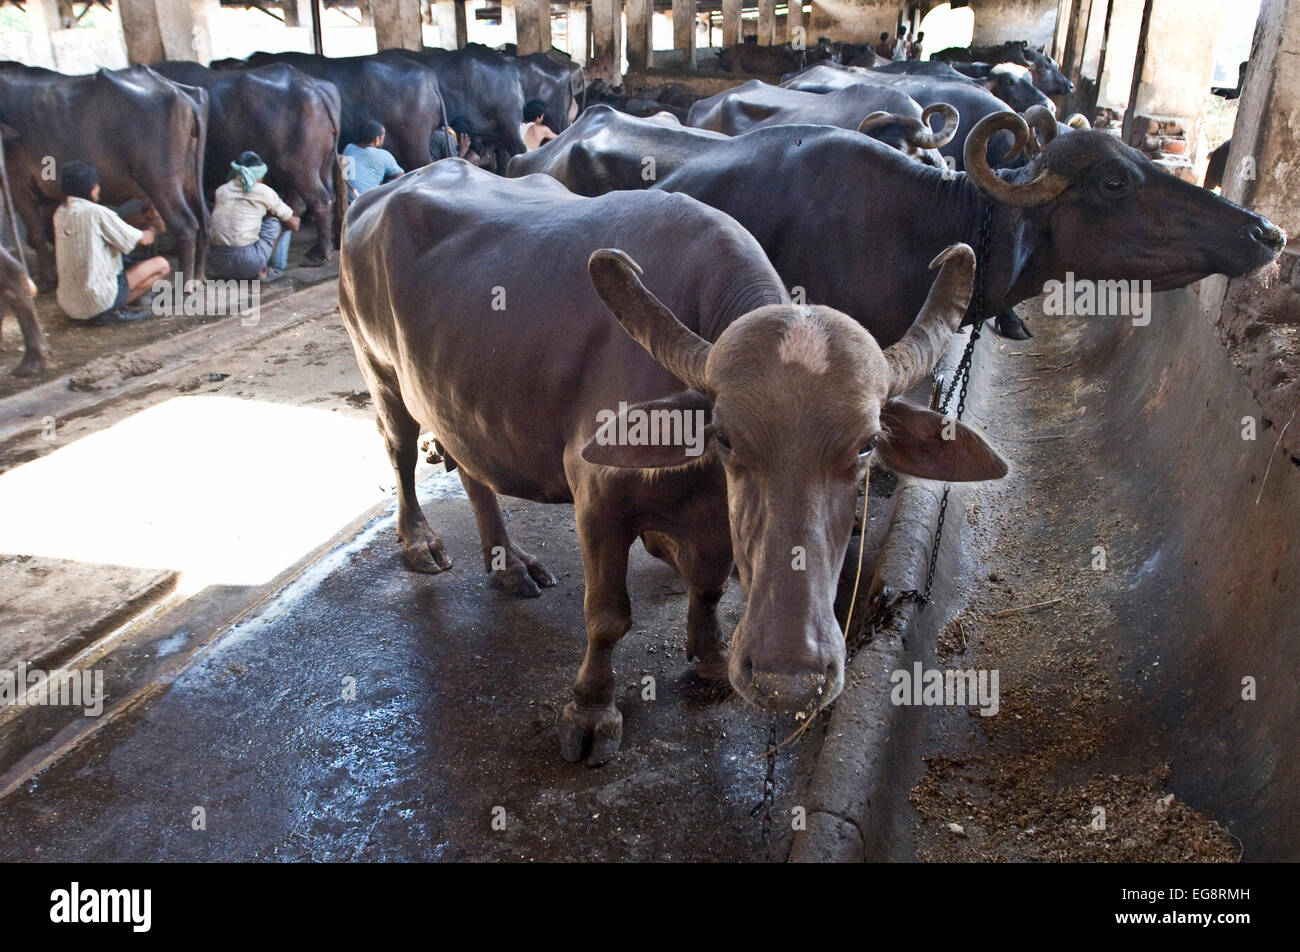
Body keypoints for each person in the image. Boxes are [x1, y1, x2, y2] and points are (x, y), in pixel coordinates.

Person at [53, 161, 169, 325]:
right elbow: (143, 240)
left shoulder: (60, 213)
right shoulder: (97, 212)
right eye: (97, 184)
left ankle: (110, 307)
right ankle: (110, 311)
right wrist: (155, 227)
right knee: (161, 265)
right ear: (92, 188)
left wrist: (138, 220)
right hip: (96, 300)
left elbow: (111, 226)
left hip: (69, 305)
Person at [208, 150, 299, 282]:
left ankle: (237, 273)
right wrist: (292, 218)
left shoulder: (221, 190)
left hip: (216, 262)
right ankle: (274, 269)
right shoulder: (264, 191)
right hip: (248, 262)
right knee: (275, 222)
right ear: (260, 175)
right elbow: (294, 225)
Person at [342, 119, 405, 198]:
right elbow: (401, 175)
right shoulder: (384, 155)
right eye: (383, 137)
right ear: (377, 140)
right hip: (367, 204)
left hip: (347, 202)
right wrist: (387, 187)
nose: (383, 141)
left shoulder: (348, 148)